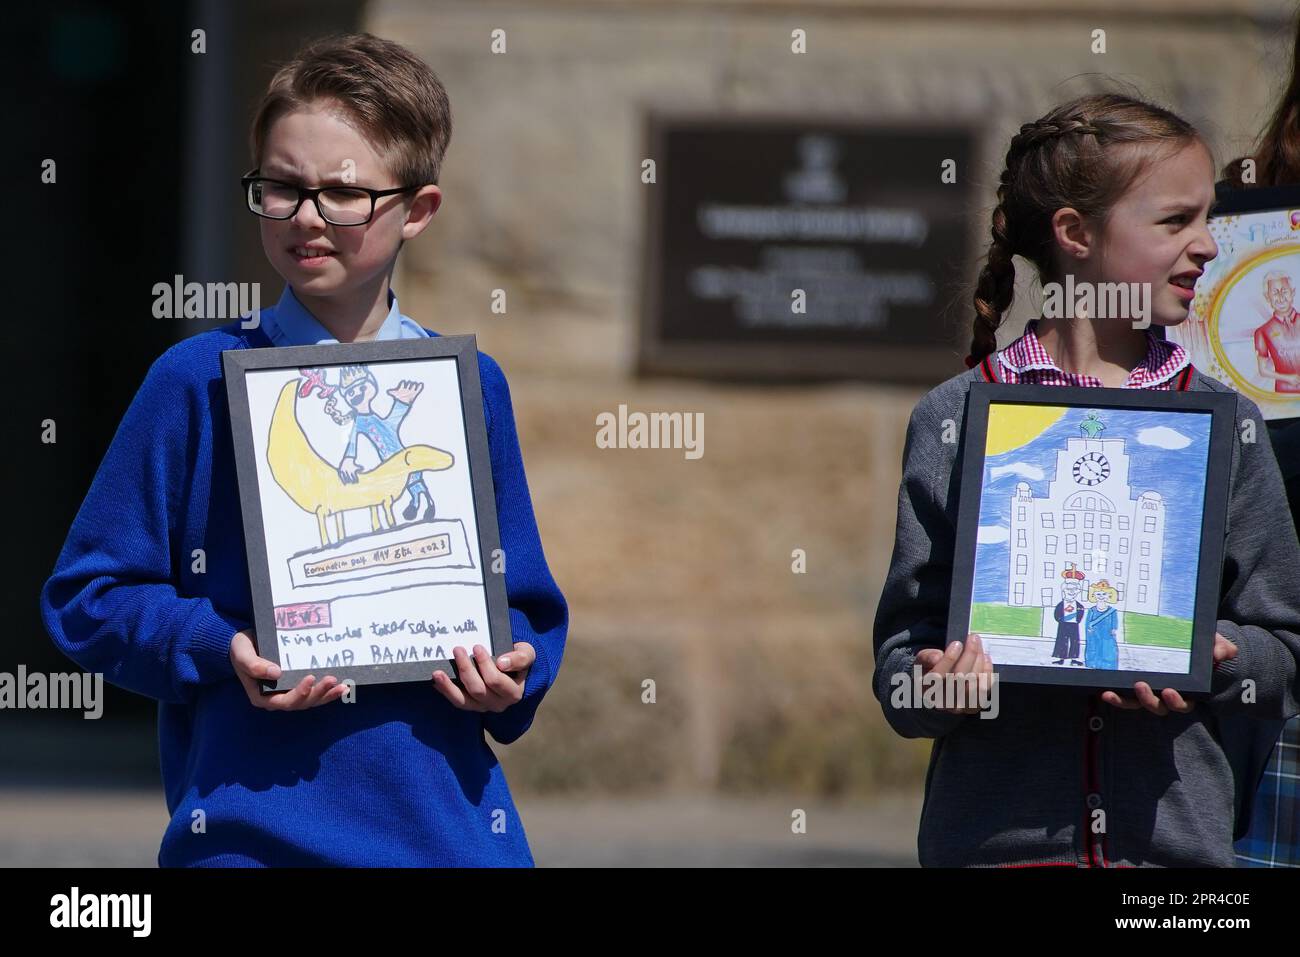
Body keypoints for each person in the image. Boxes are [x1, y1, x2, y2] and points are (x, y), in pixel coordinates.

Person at [39, 33, 568, 866]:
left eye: (342, 194)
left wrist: (514, 676)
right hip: (249, 838)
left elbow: (530, 605)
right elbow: (86, 596)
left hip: (449, 838)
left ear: (418, 210)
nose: (306, 217)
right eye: (281, 188)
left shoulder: (473, 388)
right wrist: (219, 646)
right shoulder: (193, 380)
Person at [873, 92, 1300, 867]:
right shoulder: (956, 416)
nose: (1207, 244)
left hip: (1171, 861)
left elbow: (1282, 646)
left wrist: (1217, 658)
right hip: (993, 849)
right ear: (1075, 234)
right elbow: (901, 664)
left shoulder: (1225, 420)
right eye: (1176, 221)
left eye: (1207, 218)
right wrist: (940, 688)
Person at [1083, 581, 1120, 671]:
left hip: (1107, 635)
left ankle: (1107, 666)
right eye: (1098, 594)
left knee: (1107, 651)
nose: (1101, 596)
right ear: (1094, 595)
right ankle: (1094, 664)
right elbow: (1088, 623)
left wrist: (1114, 629)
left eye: (1104, 594)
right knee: (1095, 650)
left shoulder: (1112, 611)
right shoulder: (1091, 610)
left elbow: (1114, 622)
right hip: (1095, 635)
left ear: (1109, 595)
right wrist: (1090, 631)